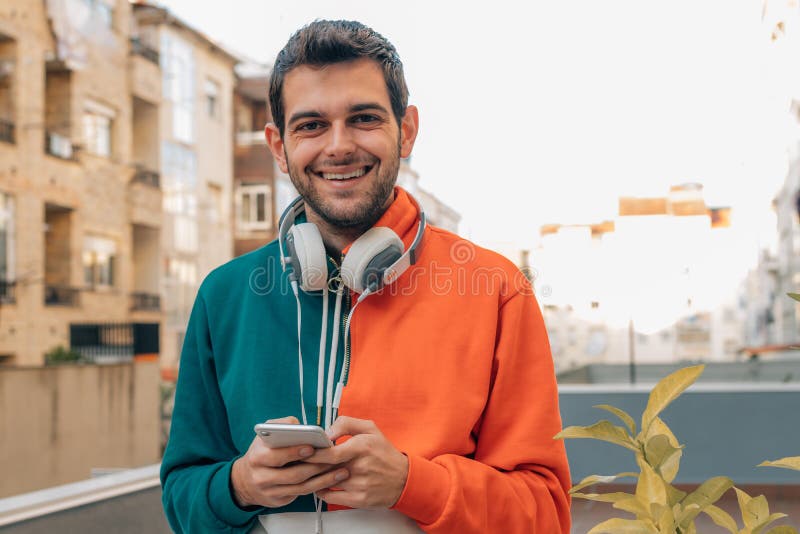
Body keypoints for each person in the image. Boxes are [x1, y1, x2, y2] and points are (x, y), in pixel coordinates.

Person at [160, 19, 571, 533]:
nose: (338, 146)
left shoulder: (496, 288)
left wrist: (410, 484)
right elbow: (181, 498)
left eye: (364, 118)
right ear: (279, 146)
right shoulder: (223, 294)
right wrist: (239, 487)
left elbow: (545, 514)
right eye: (310, 125)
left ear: (407, 130)